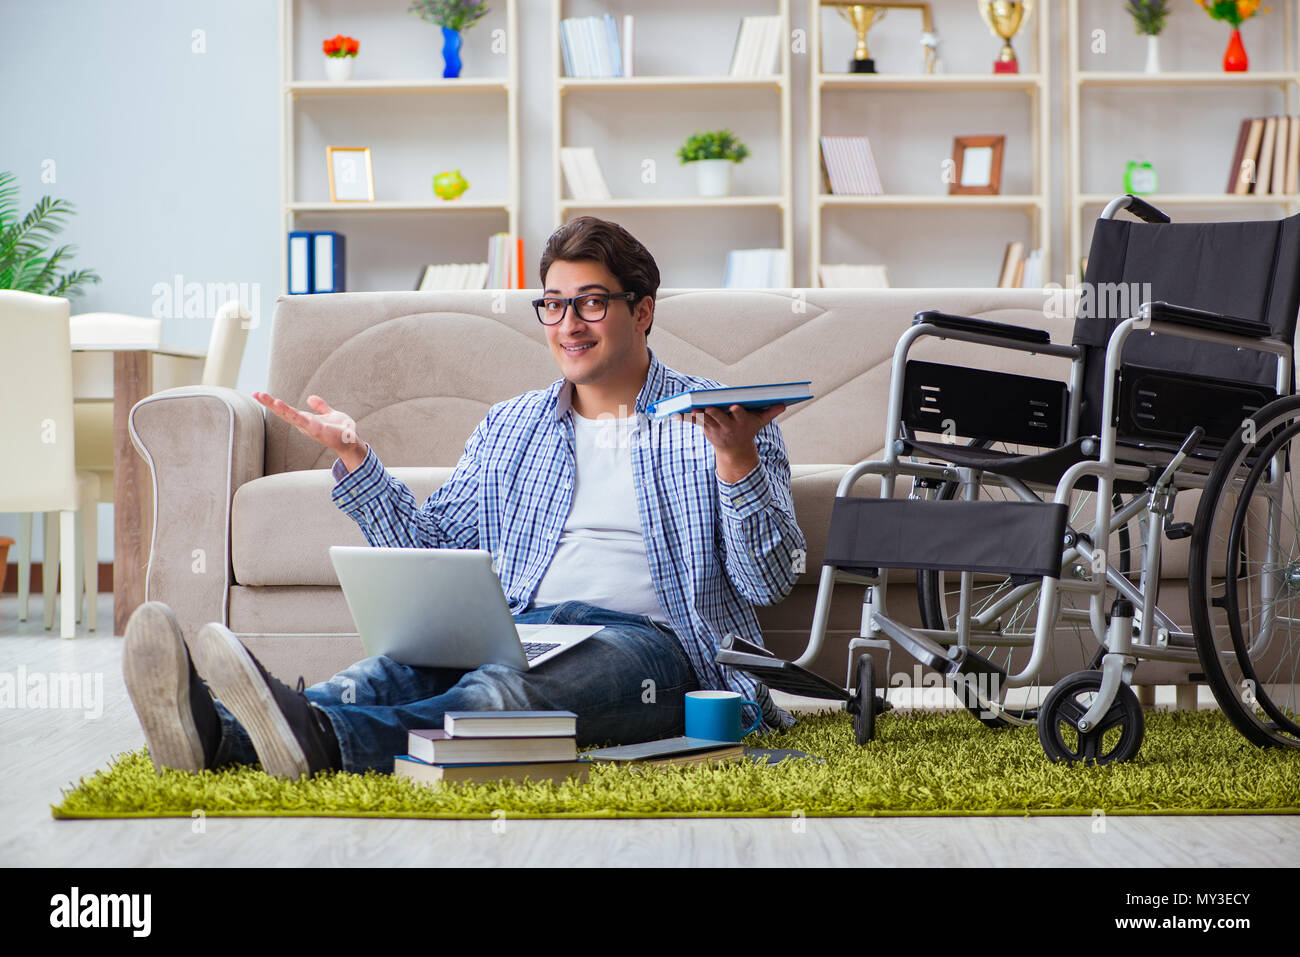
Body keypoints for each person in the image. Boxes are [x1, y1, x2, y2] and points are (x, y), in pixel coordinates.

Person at [122, 216, 806, 779]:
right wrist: (358, 459)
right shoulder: (512, 426)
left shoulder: (725, 420)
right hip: (523, 623)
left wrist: (737, 461)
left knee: (499, 696)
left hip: (652, 648)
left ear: (643, 310)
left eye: (592, 301)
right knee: (386, 672)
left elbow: (768, 581)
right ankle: (220, 737)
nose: (570, 323)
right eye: (555, 304)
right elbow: (434, 550)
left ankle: (319, 739)